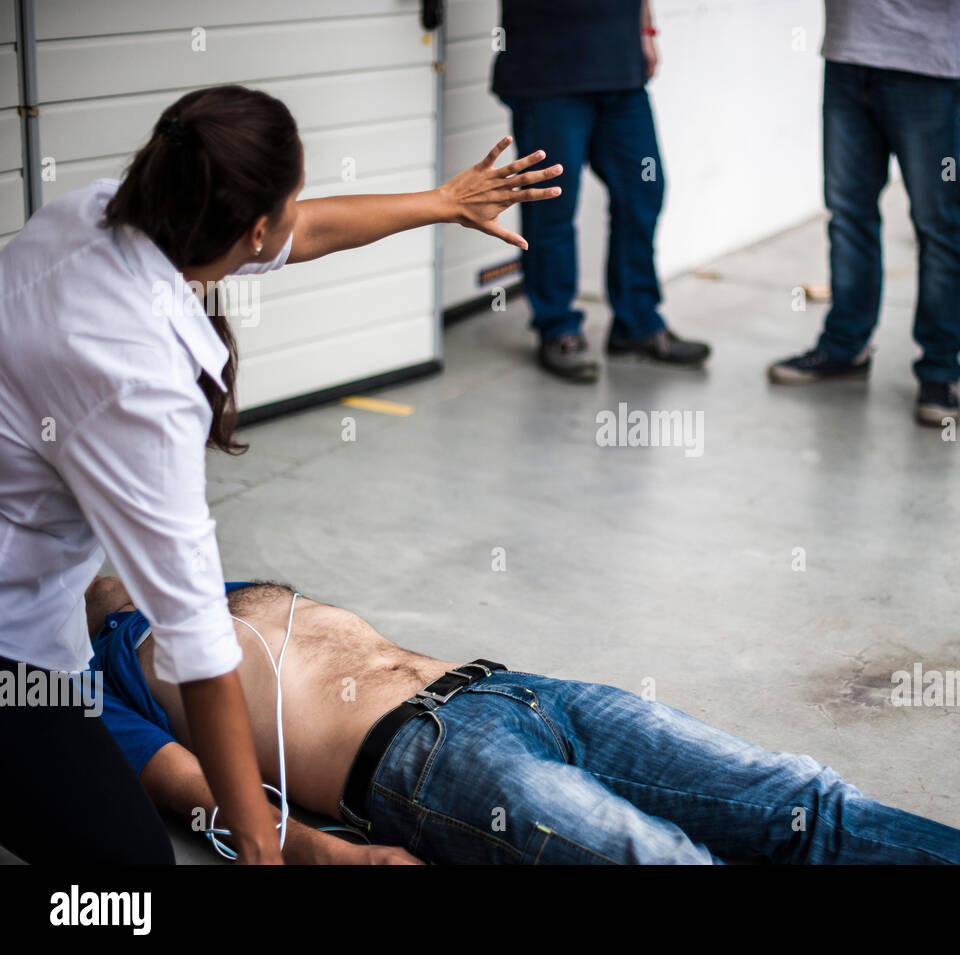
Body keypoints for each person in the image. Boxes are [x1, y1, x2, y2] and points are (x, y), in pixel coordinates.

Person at [0, 84, 561, 864]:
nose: (300, 214)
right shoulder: (139, 385)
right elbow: (198, 648)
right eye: (290, 200)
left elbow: (313, 227)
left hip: (31, 602)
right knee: (128, 881)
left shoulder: (102, 213)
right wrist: (266, 852)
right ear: (253, 228)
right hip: (8, 644)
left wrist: (442, 201)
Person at [74, 574, 960, 865]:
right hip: (421, 768)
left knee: (801, 798)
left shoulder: (208, 570)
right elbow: (202, 796)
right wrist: (324, 852)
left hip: (525, 691)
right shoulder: (95, 680)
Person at [768, 0, 960, 427]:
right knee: (848, 213)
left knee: (937, 224)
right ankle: (845, 345)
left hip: (926, 65)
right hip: (848, 55)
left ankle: (940, 371)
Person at [492, 0, 711, 381]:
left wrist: (646, 30)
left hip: (620, 68)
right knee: (552, 205)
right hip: (546, 71)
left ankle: (637, 324)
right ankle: (558, 328)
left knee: (643, 191)